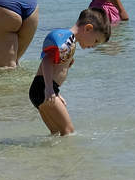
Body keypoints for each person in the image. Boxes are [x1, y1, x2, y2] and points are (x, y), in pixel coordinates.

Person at [29, 8, 111, 136]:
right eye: (95, 41)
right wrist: (49, 89)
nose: (93, 46)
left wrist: (55, 91)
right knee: (69, 131)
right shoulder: (66, 41)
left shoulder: (71, 43)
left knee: (56, 133)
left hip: (40, 89)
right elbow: (46, 61)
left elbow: (56, 69)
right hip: (44, 87)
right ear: (88, 28)